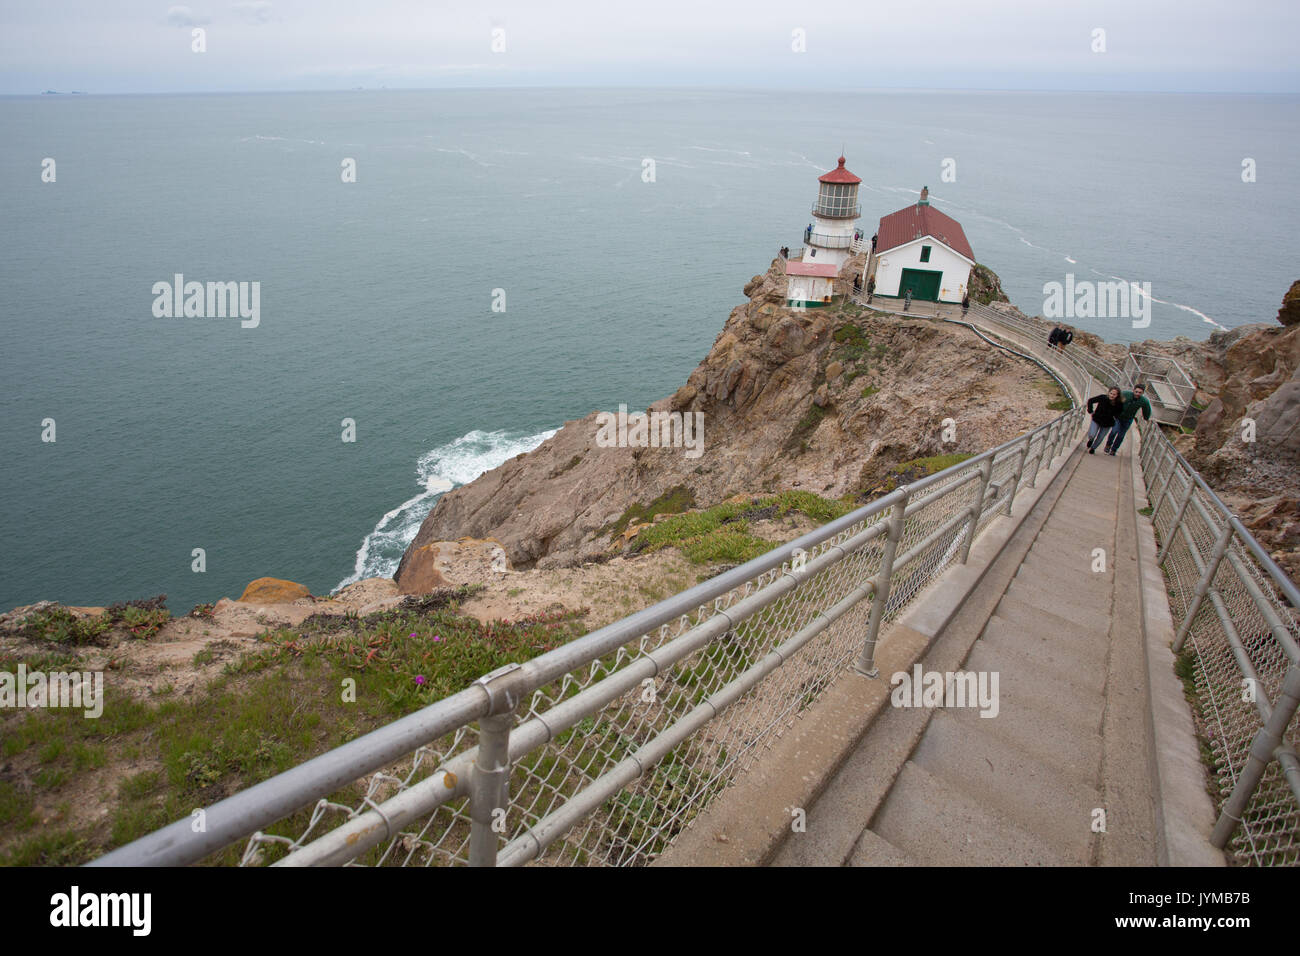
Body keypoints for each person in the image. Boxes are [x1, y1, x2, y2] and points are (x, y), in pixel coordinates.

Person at [1105, 383, 1152, 455]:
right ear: (1133, 390)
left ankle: (1114, 449)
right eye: (1136, 392)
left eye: (1140, 393)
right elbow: (1115, 399)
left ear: (1143, 393)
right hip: (1118, 417)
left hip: (1128, 419)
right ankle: (1108, 445)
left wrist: (1146, 417)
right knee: (1114, 431)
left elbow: (1146, 409)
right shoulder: (1126, 394)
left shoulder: (1143, 401)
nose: (1137, 394)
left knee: (1121, 435)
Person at [1085, 387, 1124, 455]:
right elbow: (1090, 400)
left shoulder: (1119, 403)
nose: (1112, 395)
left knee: (1100, 437)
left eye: (1114, 394)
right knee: (1092, 434)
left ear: (1117, 395)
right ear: (1108, 393)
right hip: (1097, 419)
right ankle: (1091, 440)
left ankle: (1093, 448)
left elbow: (1120, 412)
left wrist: (1115, 417)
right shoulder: (1102, 398)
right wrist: (1090, 410)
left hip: (1107, 423)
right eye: (1111, 393)